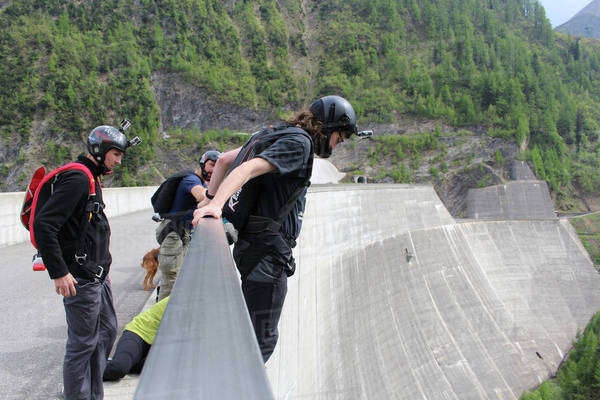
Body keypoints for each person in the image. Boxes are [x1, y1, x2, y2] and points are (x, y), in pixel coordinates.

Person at [192, 95, 358, 361]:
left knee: (248, 334)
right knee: (261, 342)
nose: (338, 144)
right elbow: (247, 168)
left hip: (252, 248)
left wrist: (209, 199)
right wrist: (215, 205)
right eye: (340, 136)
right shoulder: (298, 144)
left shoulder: (276, 133)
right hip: (267, 256)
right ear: (328, 128)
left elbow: (223, 160)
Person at [33, 125, 139, 399]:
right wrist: (59, 272)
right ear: (99, 150)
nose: (118, 160)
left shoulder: (92, 178)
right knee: (82, 344)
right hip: (80, 278)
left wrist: (105, 270)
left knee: (105, 332)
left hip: (97, 275)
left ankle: (93, 394)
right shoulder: (79, 179)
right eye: (115, 154)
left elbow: (93, 230)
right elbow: (45, 225)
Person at [156, 150, 220, 301]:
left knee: (177, 278)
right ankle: (162, 322)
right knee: (171, 280)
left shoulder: (199, 181)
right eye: (211, 165)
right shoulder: (191, 180)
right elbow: (201, 195)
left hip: (181, 234)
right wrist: (221, 194)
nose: (213, 170)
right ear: (203, 164)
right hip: (173, 235)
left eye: (217, 167)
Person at [103, 297, 169, 381]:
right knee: (118, 368)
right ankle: (83, 374)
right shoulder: (182, 298)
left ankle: (124, 360)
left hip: (157, 346)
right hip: (139, 332)